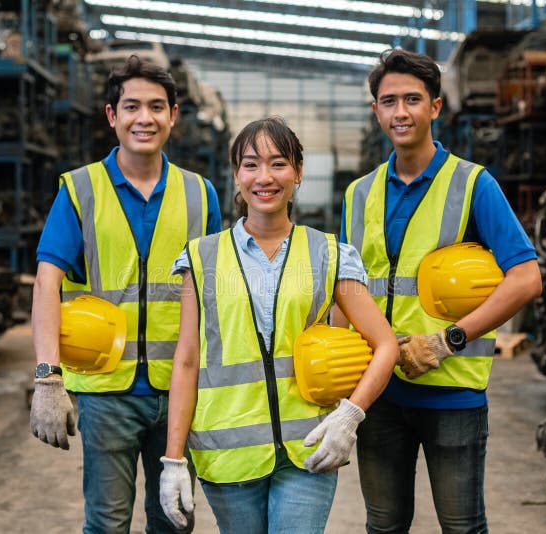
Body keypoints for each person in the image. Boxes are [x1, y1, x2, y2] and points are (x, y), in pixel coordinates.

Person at [158, 117, 399, 534]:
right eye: (250, 165)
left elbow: (385, 344)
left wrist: (349, 417)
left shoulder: (330, 254)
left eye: (278, 164)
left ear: (298, 172)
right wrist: (173, 459)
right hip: (226, 453)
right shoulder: (202, 259)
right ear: (236, 175)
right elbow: (187, 360)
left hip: (308, 448)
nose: (264, 177)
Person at [337, 49, 542, 533]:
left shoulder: (473, 184)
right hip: (380, 394)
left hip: (452, 394)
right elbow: (347, 290)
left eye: (413, 99)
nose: (401, 112)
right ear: (376, 111)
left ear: (435, 107)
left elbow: (526, 277)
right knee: (383, 526)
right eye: (389, 101)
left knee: (461, 527)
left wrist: (446, 340)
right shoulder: (358, 194)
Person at [29, 55, 222, 533]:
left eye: (157, 107)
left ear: (174, 116)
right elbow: (46, 281)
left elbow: (219, 293)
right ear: (112, 115)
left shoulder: (201, 195)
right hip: (106, 391)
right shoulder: (80, 189)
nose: (145, 118)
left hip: (179, 391)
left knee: (174, 521)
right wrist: (48, 378)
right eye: (132, 107)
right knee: (108, 523)